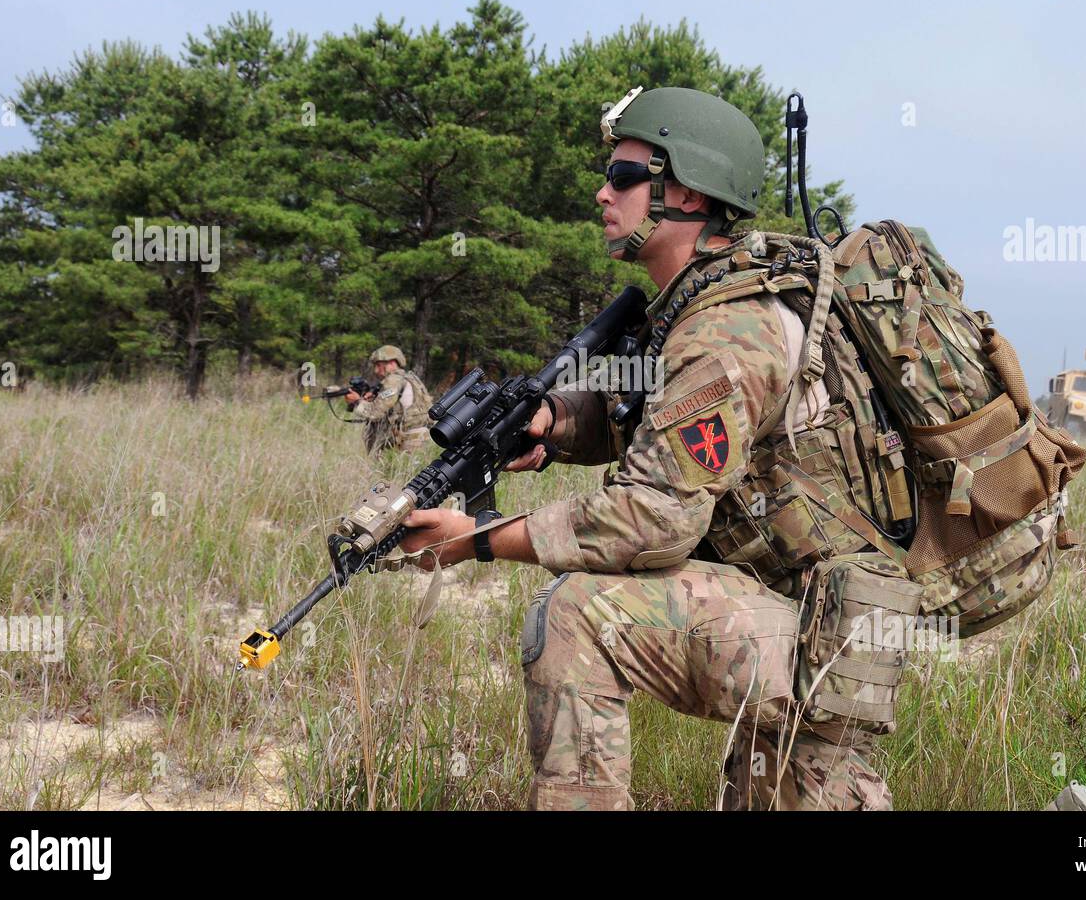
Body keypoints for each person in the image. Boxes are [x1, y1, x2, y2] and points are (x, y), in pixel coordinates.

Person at [398, 87, 913, 810]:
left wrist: (476, 541)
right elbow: (643, 418)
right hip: (805, 612)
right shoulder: (702, 302)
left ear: (685, 193)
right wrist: (549, 423)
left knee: (576, 611)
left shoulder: (728, 332)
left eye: (624, 177)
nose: (602, 193)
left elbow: (653, 518)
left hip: (822, 638)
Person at [348, 345, 432, 454]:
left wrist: (357, 401)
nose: (376, 370)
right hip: (420, 437)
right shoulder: (410, 378)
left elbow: (375, 413)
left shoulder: (393, 381)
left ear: (392, 363)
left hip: (408, 440)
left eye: (379, 365)